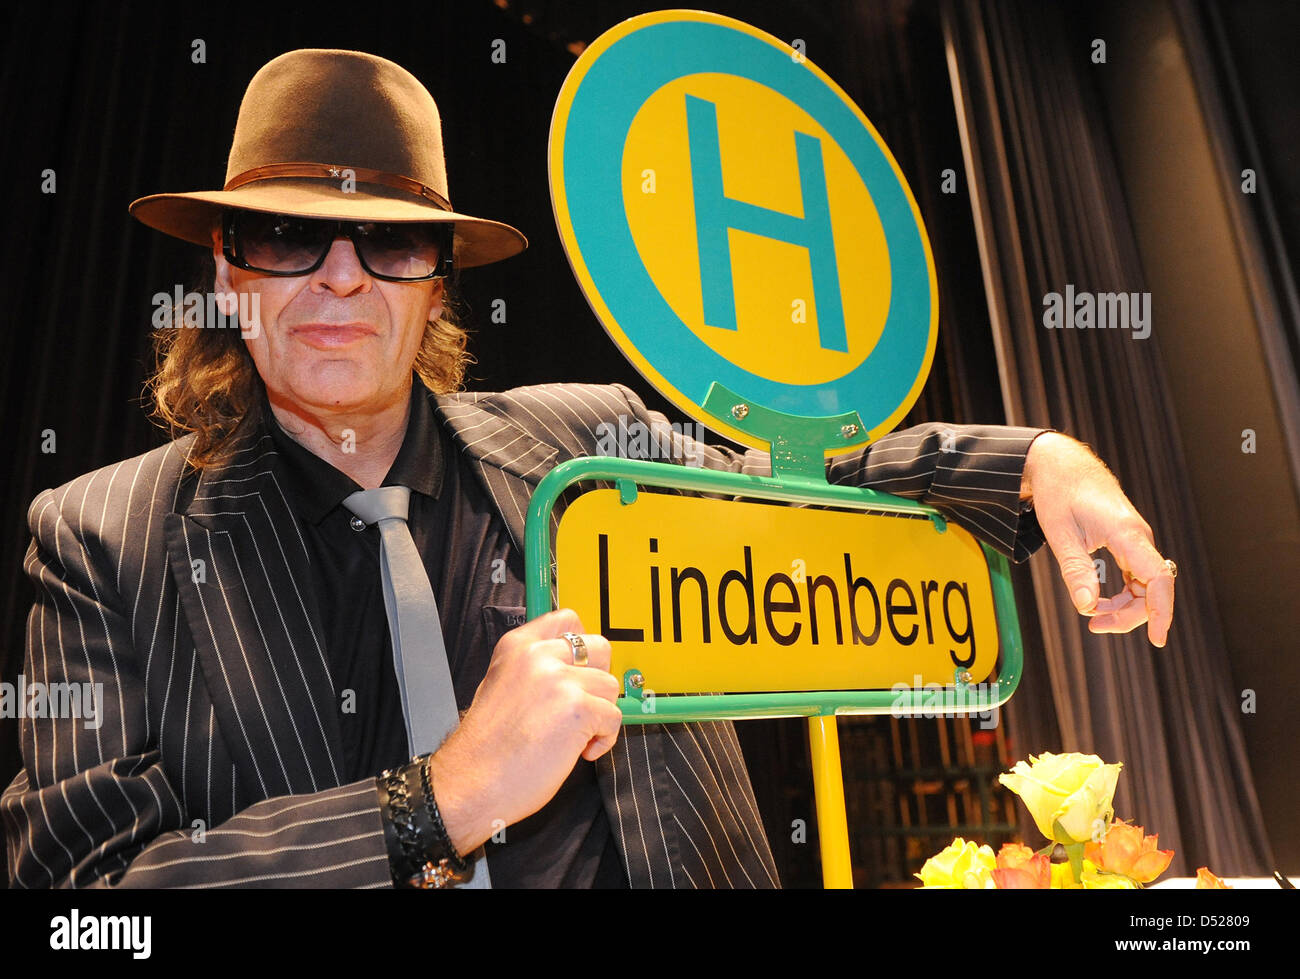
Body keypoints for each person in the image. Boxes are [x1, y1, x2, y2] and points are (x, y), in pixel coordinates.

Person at [1, 48, 1175, 889]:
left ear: (436, 276)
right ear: (226, 271)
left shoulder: (590, 443)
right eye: (286, 235)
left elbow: (808, 485)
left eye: (392, 239)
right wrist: (442, 797)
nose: (341, 276)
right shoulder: (101, 536)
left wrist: (1031, 464)